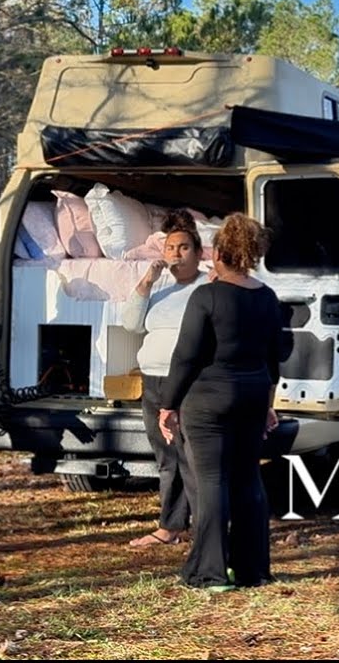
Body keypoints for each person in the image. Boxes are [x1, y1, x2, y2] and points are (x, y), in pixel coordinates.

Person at [158, 212, 288, 591]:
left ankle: (210, 572)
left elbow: (186, 357)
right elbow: (274, 357)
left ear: (218, 251)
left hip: (209, 400)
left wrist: (168, 404)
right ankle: (252, 570)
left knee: (212, 482)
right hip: (252, 395)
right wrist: (267, 403)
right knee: (249, 479)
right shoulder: (266, 297)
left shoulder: (207, 296)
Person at [119, 210, 210, 548]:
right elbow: (131, 323)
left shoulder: (207, 287)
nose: (175, 254)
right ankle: (170, 526)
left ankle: (204, 527)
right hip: (153, 381)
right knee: (166, 456)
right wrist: (145, 282)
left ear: (198, 252)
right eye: (170, 248)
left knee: (192, 456)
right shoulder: (159, 292)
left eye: (184, 247)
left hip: (188, 382)